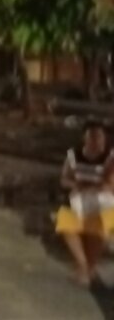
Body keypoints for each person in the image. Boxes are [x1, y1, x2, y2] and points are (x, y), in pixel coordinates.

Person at [55, 120, 114, 285]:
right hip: (80, 197)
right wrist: (75, 185)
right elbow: (64, 179)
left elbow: (109, 184)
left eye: (99, 138)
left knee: (100, 224)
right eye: (92, 137)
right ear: (85, 139)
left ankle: (89, 267)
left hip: (103, 199)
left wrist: (97, 186)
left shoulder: (111, 156)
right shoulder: (73, 155)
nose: (96, 142)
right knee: (66, 221)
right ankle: (83, 265)